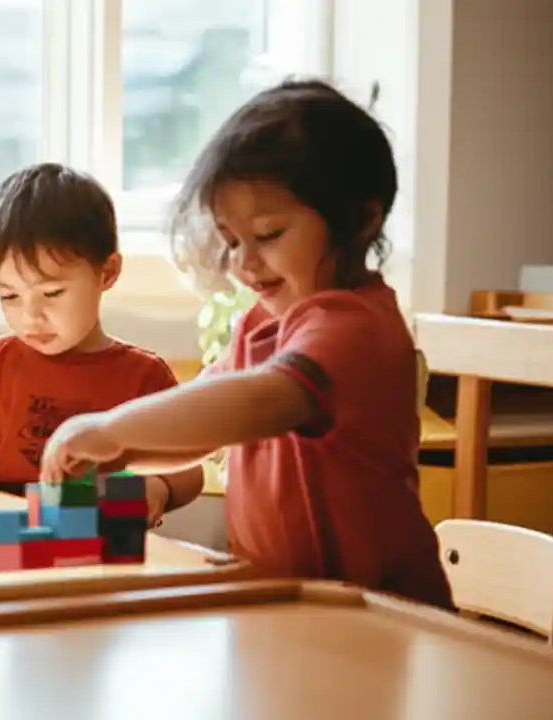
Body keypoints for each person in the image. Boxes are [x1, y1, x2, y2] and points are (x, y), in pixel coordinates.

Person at [39, 80, 454, 610]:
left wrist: (109, 428)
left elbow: (258, 403)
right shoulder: (265, 323)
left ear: (360, 219)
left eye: (269, 235)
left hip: (380, 611)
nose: (243, 262)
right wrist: (114, 453)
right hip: (297, 603)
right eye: (231, 241)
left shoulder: (353, 327)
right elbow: (207, 428)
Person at [0, 162, 205, 527]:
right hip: (2, 532)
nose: (31, 315)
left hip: (97, 541)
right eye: (10, 296)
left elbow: (189, 472)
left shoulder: (143, 376)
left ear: (107, 272)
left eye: (52, 292)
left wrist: (157, 490)